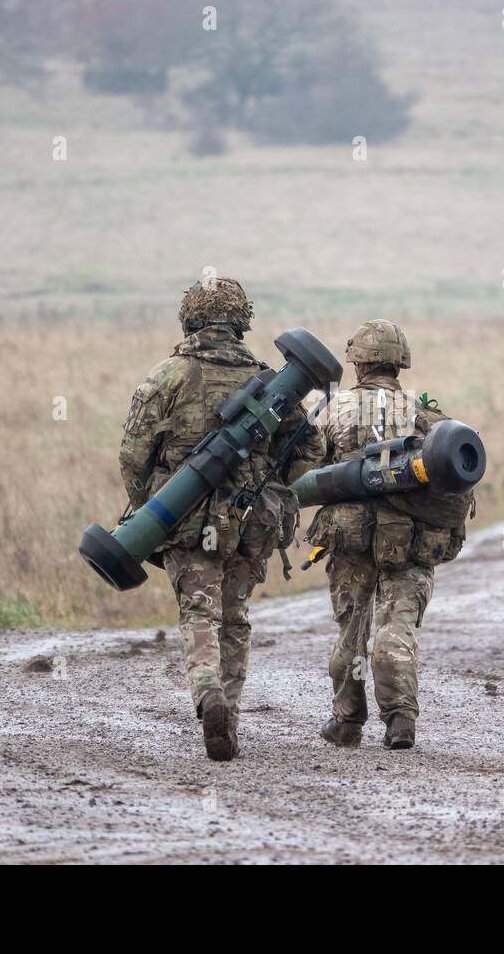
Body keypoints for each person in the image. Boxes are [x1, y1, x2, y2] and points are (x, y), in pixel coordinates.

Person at [119, 278, 322, 761]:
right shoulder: (271, 381)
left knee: (199, 612)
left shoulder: (166, 377)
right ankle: (227, 714)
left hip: (183, 518)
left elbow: (132, 453)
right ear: (241, 321)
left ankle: (207, 690)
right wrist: (272, 483)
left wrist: (151, 506)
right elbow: (310, 450)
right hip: (251, 522)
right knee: (235, 619)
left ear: (189, 318)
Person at [306, 319, 472, 750]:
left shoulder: (333, 409)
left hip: (352, 543)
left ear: (357, 362)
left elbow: (306, 475)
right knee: (396, 630)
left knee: (351, 632)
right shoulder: (427, 415)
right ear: (400, 363)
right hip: (412, 544)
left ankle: (346, 722)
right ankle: (400, 721)